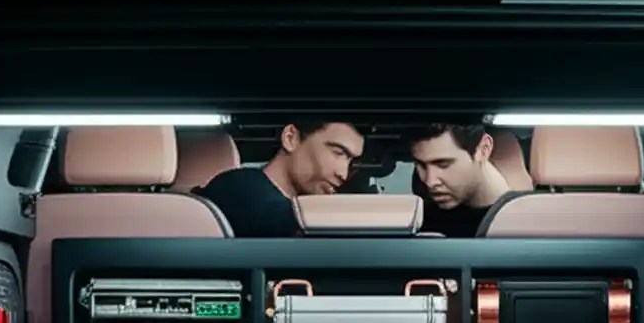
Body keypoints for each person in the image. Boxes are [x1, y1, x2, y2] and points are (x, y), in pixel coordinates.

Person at [194, 121, 365, 237]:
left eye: (350, 161)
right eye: (338, 153)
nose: (343, 173)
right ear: (291, 138)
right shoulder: (238, 189)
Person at [407, 124, 513, 238]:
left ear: (483, 149)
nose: (430, 182)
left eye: (443, 165)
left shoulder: (520, 224)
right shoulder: (417, 223)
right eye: (421, 165)